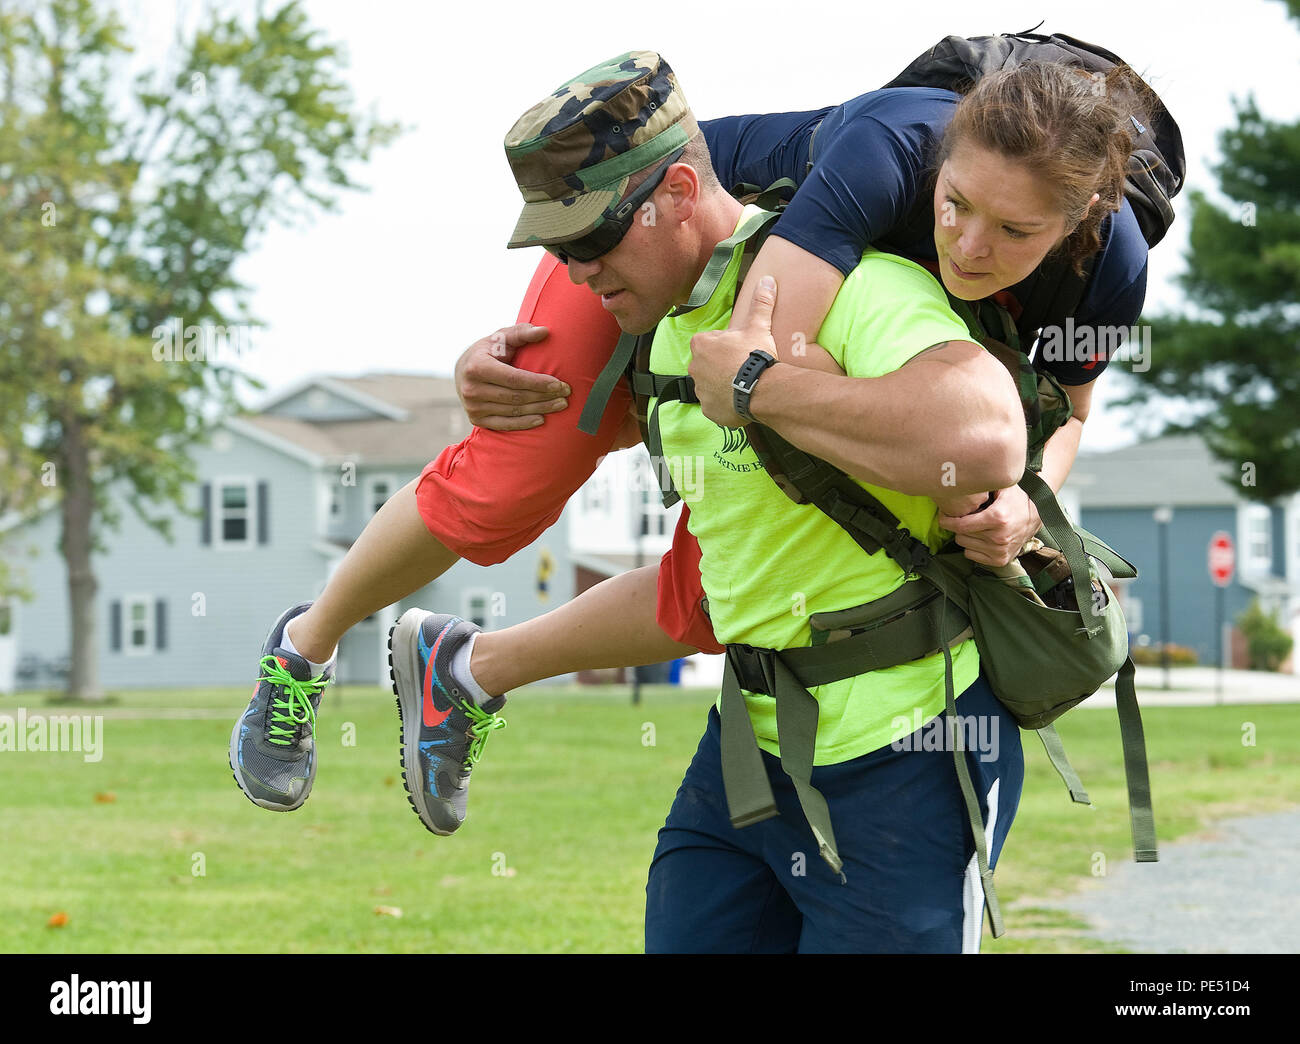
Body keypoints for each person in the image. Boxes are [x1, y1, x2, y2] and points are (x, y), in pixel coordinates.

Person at [229, 47, 1155, 854]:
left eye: (1016, 232)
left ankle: (465, 670)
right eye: (955, 207)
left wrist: (1022, 497)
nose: (971, 241)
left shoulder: (1108, 266)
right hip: (634, 220)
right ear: (942, 159)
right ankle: (301, 650)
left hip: (739, 295)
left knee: (747, 569)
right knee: (515, 480)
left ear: (1080, 221)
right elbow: (759, 357)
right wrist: (494, 361)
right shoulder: (881, 154)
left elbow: (1066, 413)